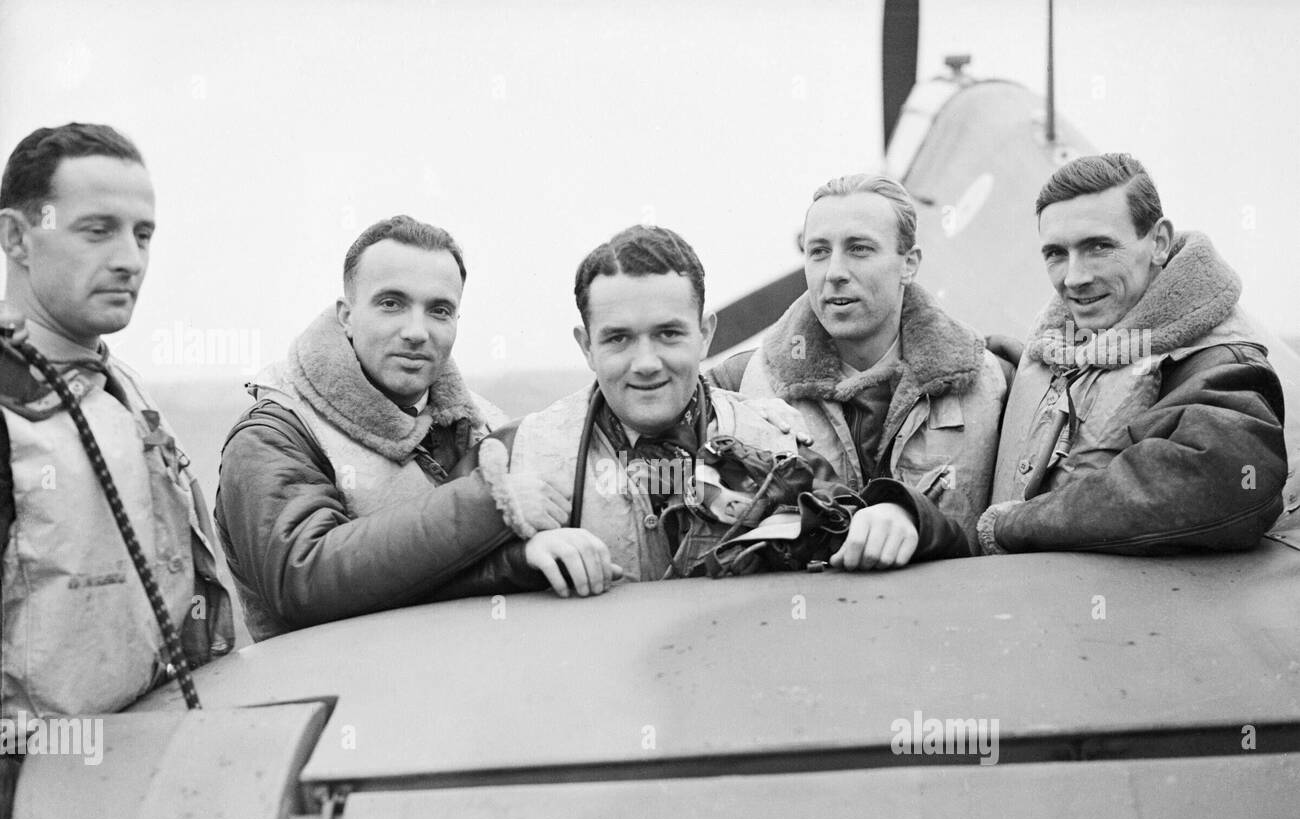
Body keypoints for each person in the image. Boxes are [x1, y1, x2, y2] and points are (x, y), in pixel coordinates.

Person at [450, 224, 967, 598]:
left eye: (669, 334)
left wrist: (904, 514)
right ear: (586, 346)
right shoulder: (522, 454)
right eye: (618, 339)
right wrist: (521, 559)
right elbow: (432, 573)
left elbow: (871, 532)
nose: (646, 362)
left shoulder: (778, 449)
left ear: (706, 335)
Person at [215, 215, 572, 639]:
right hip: (334, 697)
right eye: (391, 303)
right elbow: (303, 580)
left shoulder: (483, 422)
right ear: (346, 316)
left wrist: (521, 560)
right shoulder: (273, 434)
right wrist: (492, 504)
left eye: (439, 310)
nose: (417, 332)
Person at [0, 123, 232, 719]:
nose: (129, 260)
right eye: (97, 231)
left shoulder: (121, 391)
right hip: (34, 791)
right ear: (16, 238)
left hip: (143, 766)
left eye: (143, 234)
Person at [978, 153, 1287, 554]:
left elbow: (1222, 475)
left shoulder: (1220, 362)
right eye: (1056, 253)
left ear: (1158, 242)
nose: (1074, 277)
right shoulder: (1061, 345)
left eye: (1099, 247)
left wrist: (1014, 525)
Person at [709, 173, 1008, 558]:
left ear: (909, 264)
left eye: (859, 249)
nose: (834, 272)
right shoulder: (736, 386)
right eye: (818, 251)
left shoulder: (991, 381)